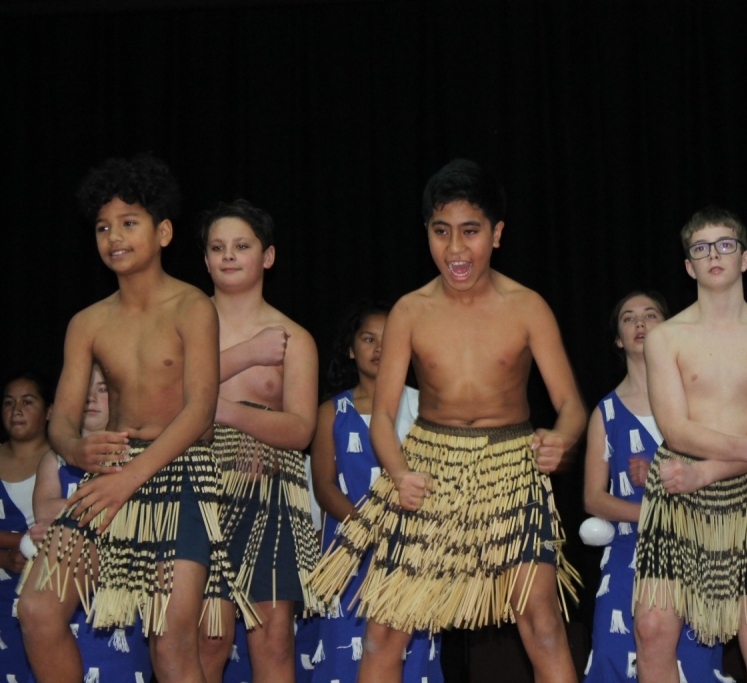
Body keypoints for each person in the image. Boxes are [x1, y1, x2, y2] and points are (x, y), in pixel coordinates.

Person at [307, 158, 586, 683]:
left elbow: (571, 403)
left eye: (470, 232)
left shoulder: (527, 307)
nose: (455, 250)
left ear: (497, 234)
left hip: (510, 467)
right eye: (441, 233)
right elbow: (383, 415)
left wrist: (561, 437)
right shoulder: (411, 311)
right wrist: (398, 472)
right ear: (428, 236)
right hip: (429, 468)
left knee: (542, 623)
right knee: (385, 630)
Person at [17, 153, 233, 683]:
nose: (114, 236)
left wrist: (133, 478)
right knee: (38, 611)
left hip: (180, 472)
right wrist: (74, 449)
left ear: (162, 232)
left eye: (128, 223)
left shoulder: (192, 307)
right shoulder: (87, 322)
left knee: (171, 643)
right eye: (103, 227)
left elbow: (201, 411)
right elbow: (62, 419)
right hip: (109, 477)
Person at [632, 207, 747, 683]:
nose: (714, 256)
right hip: (679, 487)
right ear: (689, 266)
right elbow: (677, 430)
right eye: (701, 249)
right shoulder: (665, 337)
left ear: (744, 258)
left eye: (725, 245)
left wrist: (718, 468)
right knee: (652, 625)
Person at [197, 199, 323, 683]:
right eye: (217, 247)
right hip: (199, 492)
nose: (229, 256)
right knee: (207, 638)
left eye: (242, 246)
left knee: (272, 639)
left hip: (271, 494)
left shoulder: (294, 337)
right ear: (205, 259)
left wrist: (219, 410)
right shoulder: (185, 323)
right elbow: (165, 403)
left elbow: (299, 429)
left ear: (267, 256)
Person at [582, 291, 725, 682]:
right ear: (618, 338)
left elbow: (728, 473)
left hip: (694, 548)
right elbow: (593, 498)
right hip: (628, 552)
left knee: (694, 662)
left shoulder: (697, 403)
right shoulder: (606, 412)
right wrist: (652, 513)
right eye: (628, 318)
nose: (640, 324)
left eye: (651, 315)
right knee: (616, 656)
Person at [308, 302, 441, 683]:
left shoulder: (423, 407)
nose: (379, 348)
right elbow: (324, 485)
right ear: (352, 349)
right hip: (349, 547)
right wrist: (365, 526)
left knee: (410, 652)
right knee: (346, 647)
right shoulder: (332, 411)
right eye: (369, 339)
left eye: (390, 340)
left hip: (411, 548)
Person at [31, 364, 152, 682]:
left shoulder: (135, 458)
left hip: (118, 587)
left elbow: (143, 513)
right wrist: (109, 505)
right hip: (64, 582)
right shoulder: (53, 459)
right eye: (82, 389)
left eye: (101, 389)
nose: (90, 398)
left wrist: (70, 514)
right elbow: (44, 510)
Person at [1, 372, 55, 683]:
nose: (16, 409)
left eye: (27, 401)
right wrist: (7, 555)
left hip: (51, 589)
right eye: (9, 402)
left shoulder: (65, 462)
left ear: (49, 411)